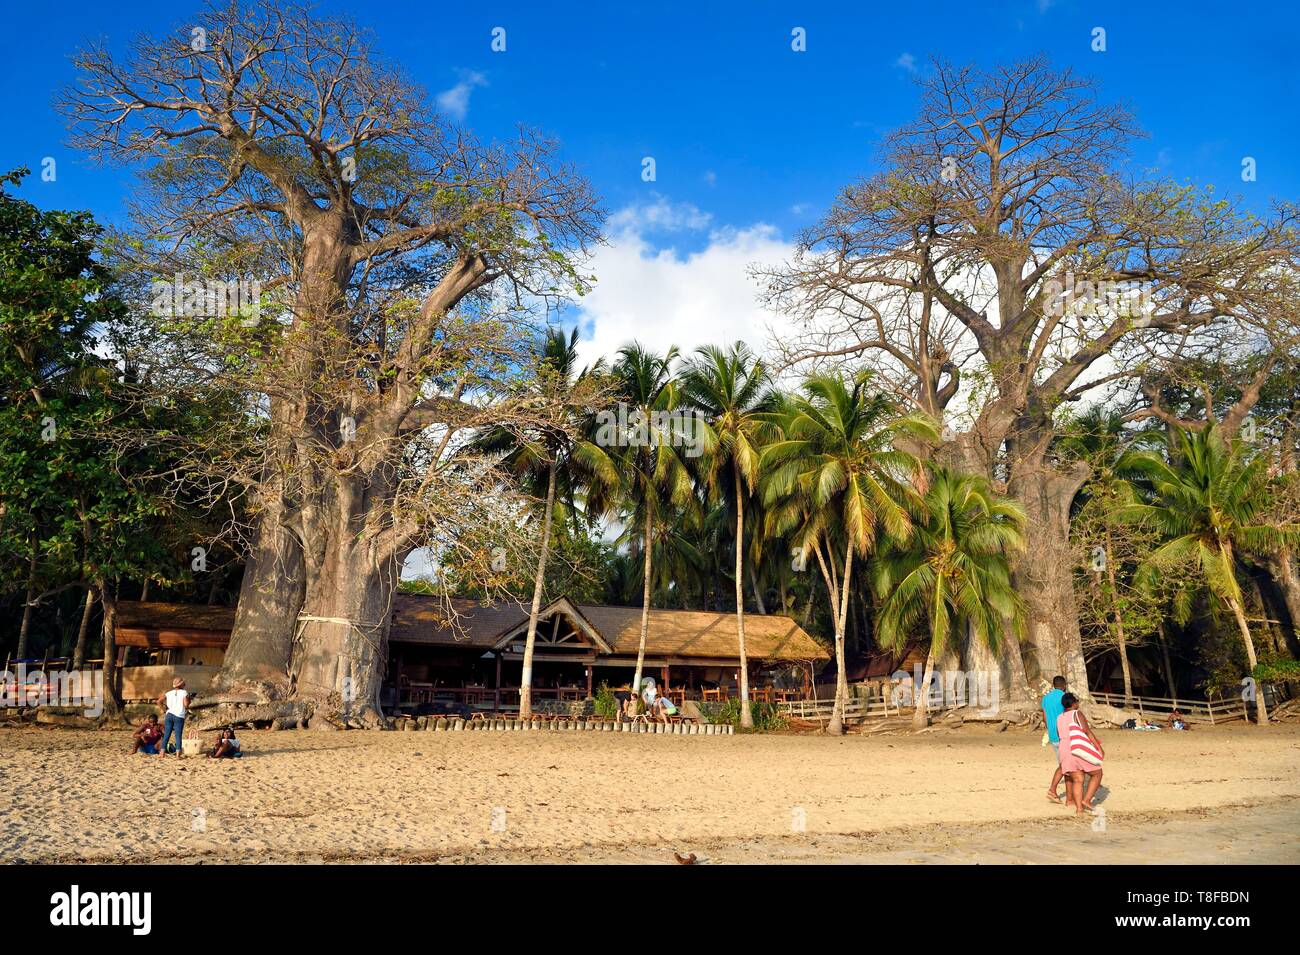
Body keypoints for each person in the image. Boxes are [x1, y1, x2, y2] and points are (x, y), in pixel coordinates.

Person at [1057, 692, 1104, 815]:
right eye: (1077, 702)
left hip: (1064, 747)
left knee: (1078, 779)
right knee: (1097, 773)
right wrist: (1098, 747)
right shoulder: (1077, 713)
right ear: (1074, 703)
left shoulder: (1059, 717)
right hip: (1076, 746)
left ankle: (1079, 809)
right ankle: (1087, 800)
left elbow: (1059, 734)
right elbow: (1086, 731)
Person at [1041, 675, 1067, 804]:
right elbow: (1067, 715)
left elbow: (1045, 717)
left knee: (1064, 763)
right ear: (1064, 685)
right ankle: (1052, 790)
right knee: (1065, 765)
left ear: (1053, 685)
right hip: (1064, 734)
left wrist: (1050, 730)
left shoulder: (1046, 698)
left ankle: (1071, 798)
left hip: (1053, 734)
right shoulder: (1065, 697)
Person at [157, 677, 191, 756]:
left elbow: (158, 701)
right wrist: (189, 700)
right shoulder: (184, 692)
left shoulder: (169, 693)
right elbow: (186, 705)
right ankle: (178, 755)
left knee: (167, 734)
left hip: (169, 715)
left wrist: (164, 710)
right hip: (179, 716)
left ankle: (162, 753)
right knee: (178, 735)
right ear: (181, 684)